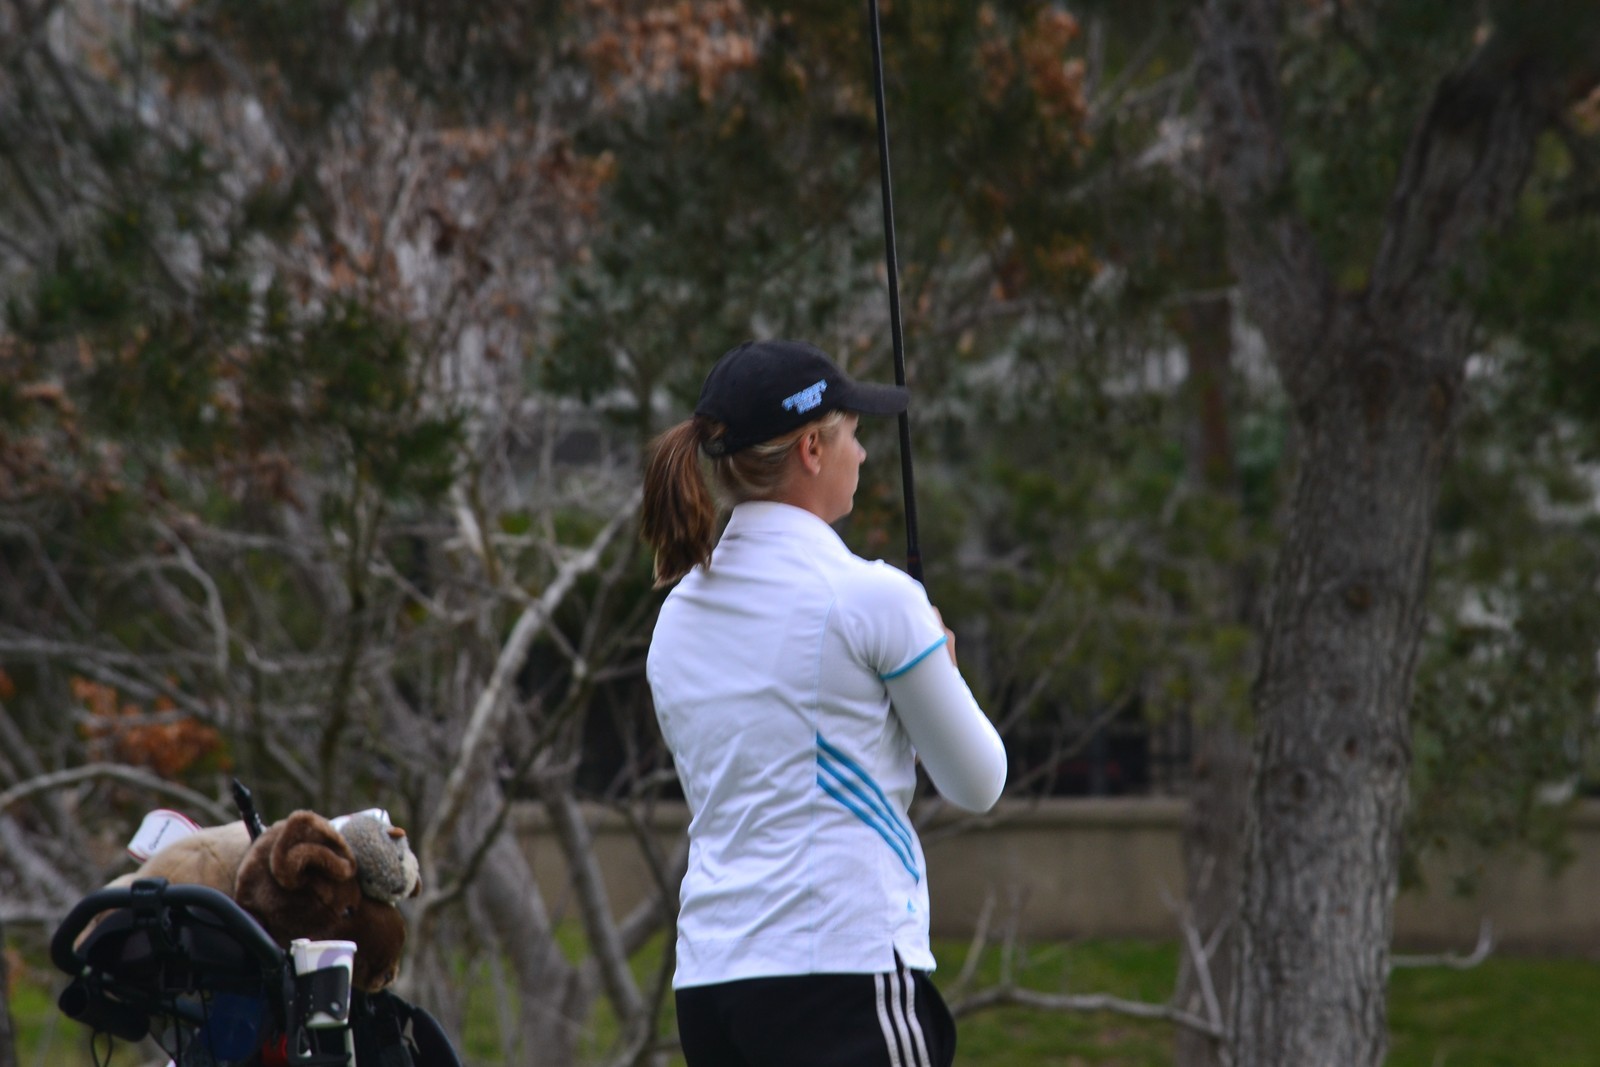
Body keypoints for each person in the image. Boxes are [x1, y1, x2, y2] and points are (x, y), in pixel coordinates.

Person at [641, 339, 1008, 1067]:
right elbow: (979, 781)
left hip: (711, 986)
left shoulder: (675, 617)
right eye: (853, 434)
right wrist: (940, 667)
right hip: (841, 972)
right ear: (812, 447)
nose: (863, 455)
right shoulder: (872, 597)